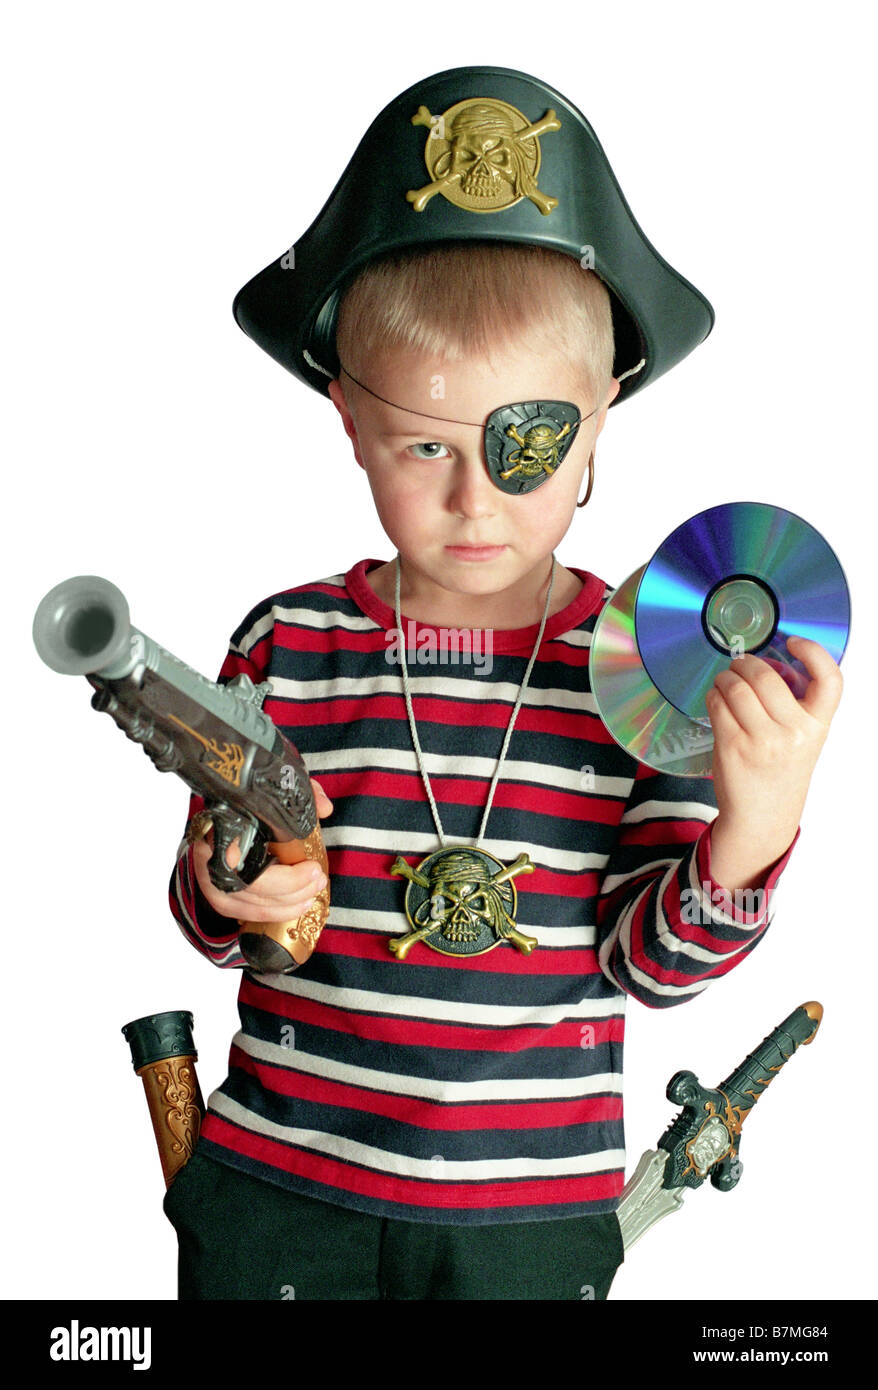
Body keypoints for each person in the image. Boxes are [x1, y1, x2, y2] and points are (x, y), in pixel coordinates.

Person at [163, 67, 843, 1301]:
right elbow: (209, 919)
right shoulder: (286, 641)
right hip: (280, 1200)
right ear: (348, 425)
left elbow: (651, 966)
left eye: (523, 444)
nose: (473, 499)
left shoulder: (655, 663)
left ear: (596, 426)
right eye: (424, 444)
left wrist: (754, 826)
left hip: (524, 1230)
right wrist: (239, 883)